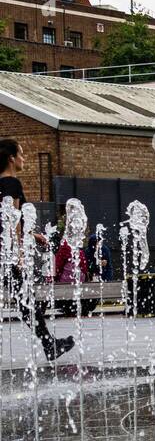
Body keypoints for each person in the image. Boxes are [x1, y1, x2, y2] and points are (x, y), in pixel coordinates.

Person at [0, 138, 74, 361]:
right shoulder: (11, 183)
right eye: (21, 154)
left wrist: (33, 236)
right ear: (11, 158)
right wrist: (19, 255)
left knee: (24, 300)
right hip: (6, 254)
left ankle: (49, 343)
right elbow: (12, 222)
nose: (23, 159)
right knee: (25, 300)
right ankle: (49, 344)